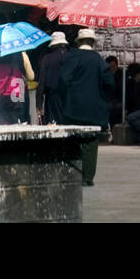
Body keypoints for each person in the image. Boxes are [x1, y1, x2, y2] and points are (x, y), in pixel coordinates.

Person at [55, 28, 115, 187]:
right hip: (94, 109)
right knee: (90, 143)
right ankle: (87, 177)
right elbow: (109, 83)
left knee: (72, 141)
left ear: (79, 42)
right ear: (92, 42)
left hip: (73, 107)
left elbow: (62, 80)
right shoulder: (99, 60)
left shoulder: (71, 57)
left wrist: (65, 98)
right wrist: (102, 98)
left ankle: (72, 173)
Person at [37, 32, 69, 124]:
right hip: (69, 97)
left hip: (52, 97)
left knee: (53, 125)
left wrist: (39, 103)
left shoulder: (47, 58)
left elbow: (42, 81)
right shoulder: (71, 56)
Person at [105, 55, 123, 128]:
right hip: (108, 99)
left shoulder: (122, 75)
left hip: (119, 100)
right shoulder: (105, 75)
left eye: (113, 66)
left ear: (117, 65)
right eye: (110, 67)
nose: (112, 69)